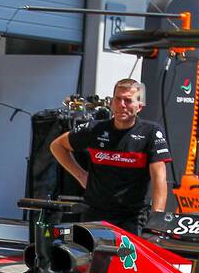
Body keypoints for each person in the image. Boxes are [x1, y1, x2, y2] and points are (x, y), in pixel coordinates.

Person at [50, 78, 171, 235]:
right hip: (95, 214)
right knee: (91, 259)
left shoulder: (151, 132)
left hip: (132, 218)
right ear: (111, 102)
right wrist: (81, 175)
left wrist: (156, 220)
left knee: (125, 259)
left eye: (128, 100)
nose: (122, 104)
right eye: (118, 99)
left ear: (139, 106)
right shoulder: (95, 129)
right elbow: (57, 146)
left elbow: (159, 180)